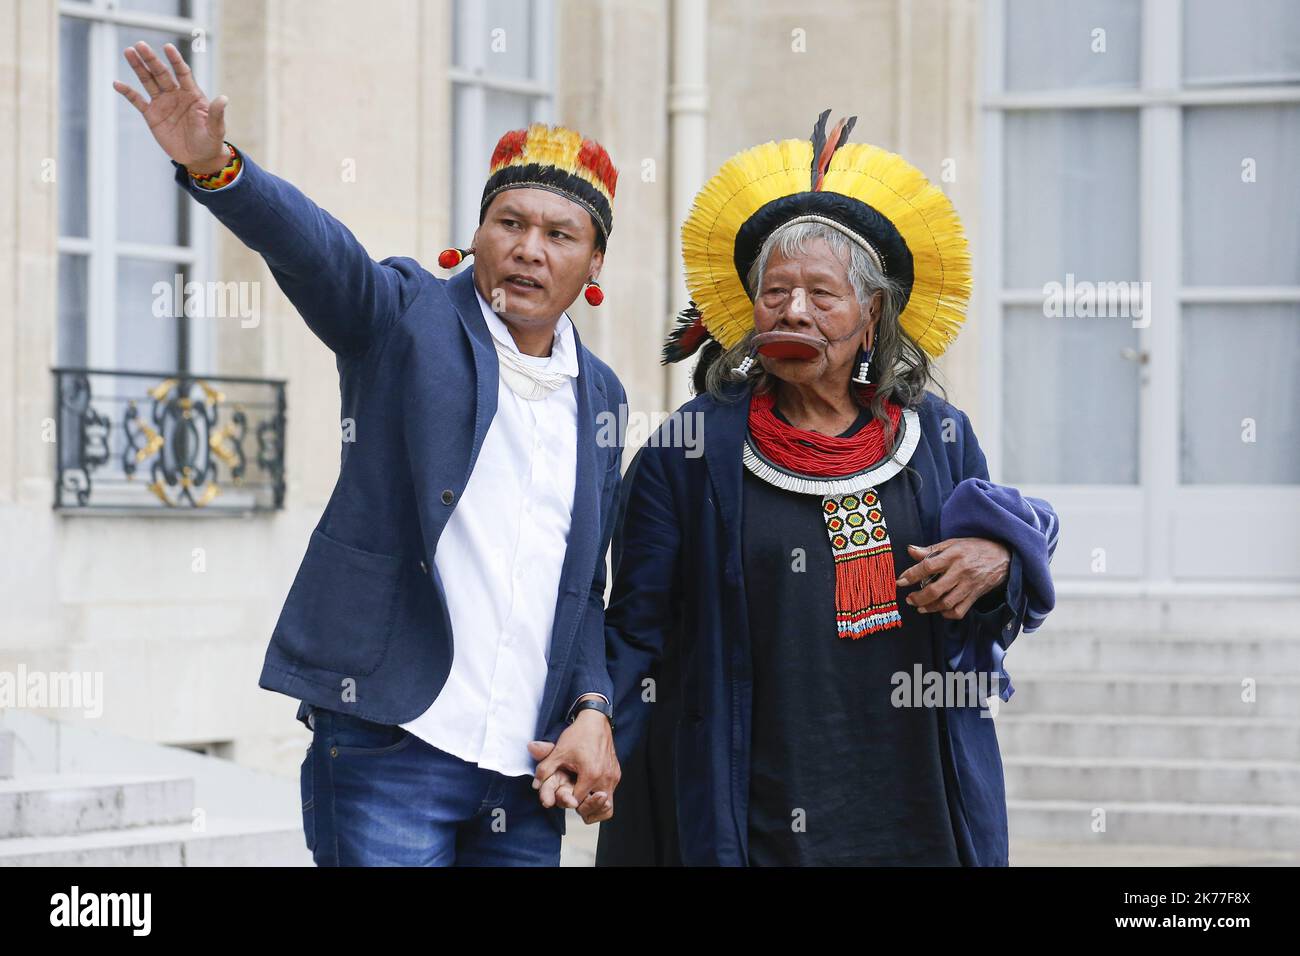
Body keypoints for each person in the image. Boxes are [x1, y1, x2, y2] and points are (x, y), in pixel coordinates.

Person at [114, 40, 624, 866]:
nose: (530, 248)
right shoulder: (405, 318)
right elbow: (318, 253)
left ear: (594, 261)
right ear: (479, 234)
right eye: (510, 223)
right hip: (394, 745)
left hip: (523, 774)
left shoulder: (601, 394)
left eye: (560, 233)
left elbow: (584, 587)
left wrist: (593, 704)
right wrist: (220, 170)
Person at [596, 111, 1059, 866]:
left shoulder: (938, 437)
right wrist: (593, 727)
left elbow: (1017, 538)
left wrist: (1001, 556)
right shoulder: (689, 451)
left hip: (918, 805)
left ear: (871, 313)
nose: (795, 311)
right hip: (749, 808)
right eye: (776, 293)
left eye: (821, 292)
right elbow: (636, 631)